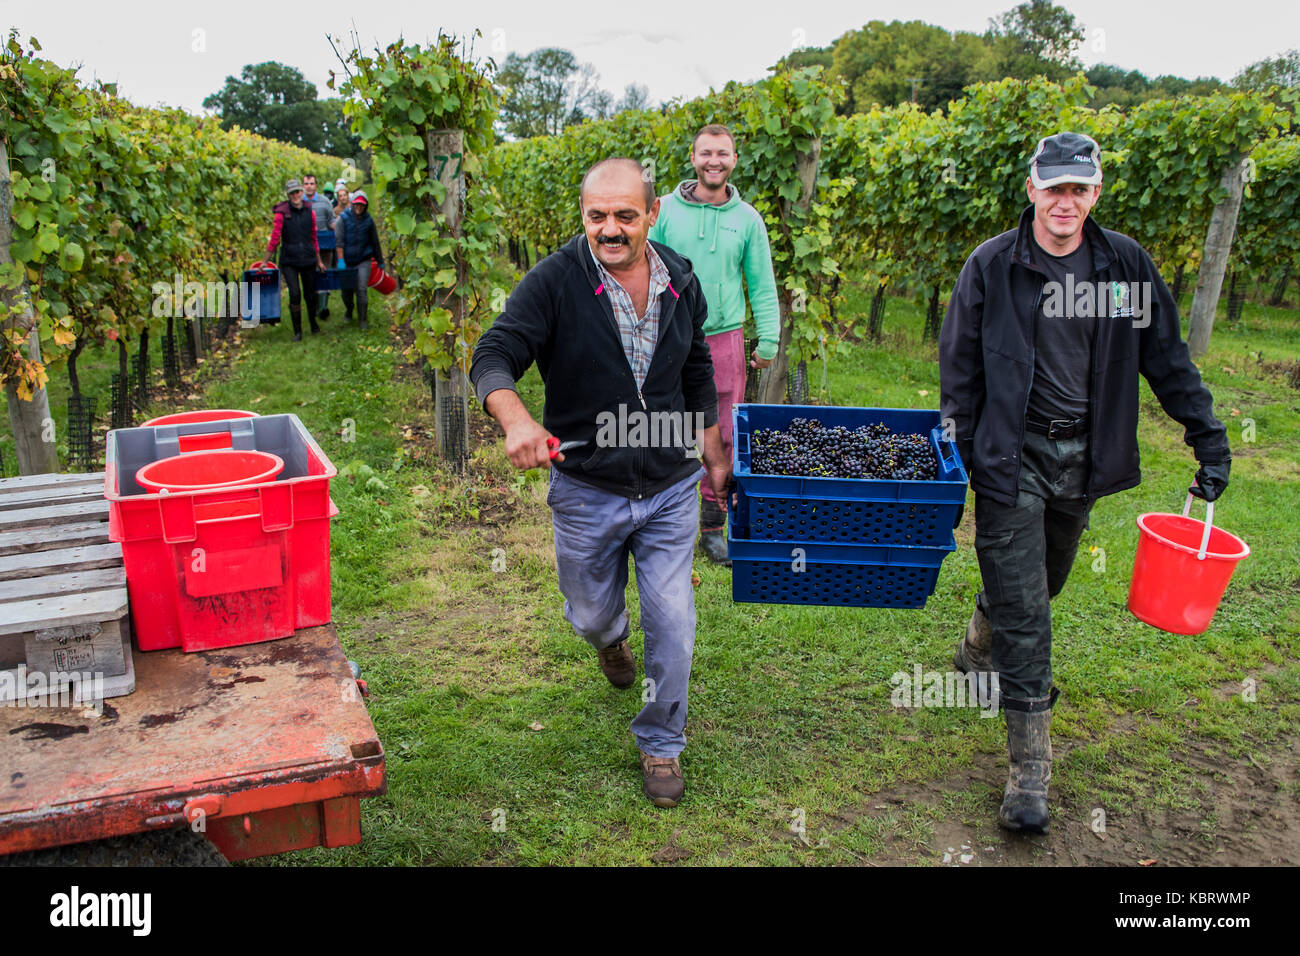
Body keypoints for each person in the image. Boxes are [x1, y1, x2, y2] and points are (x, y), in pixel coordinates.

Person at [939, 132, 1231, 833]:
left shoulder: (1123, 266)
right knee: (1031, 619)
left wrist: (1208, 436)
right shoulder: (992, 266)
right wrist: (956, 458)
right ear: (1032, 189)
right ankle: (1029, 772)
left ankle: (980, 639)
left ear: (1095, 193)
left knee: (1044, 582)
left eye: (1079, 188)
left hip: (1084, 461)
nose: (1064, 200)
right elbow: (960, 372)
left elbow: (1166, 357)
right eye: (1053, 187)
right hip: (1010, 459)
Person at [470, 157, 731, 808]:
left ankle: (662, 741)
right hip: (588, 489)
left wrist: (709, 443)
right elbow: (494, 354)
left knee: (673, 621)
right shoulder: (556, 281)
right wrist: (517, 418)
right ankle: (608, 640)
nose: (609, 230)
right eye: (596, 217)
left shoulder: (680, 280)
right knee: (589, 612)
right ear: (583, 216)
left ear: (652, 213)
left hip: (670, 484)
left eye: (623, 216)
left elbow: (696, 362)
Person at [648, 124, 780, 566]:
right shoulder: (662, 210)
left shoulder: (748, 220)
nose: (714, 162)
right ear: (693, 157)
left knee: (721, 432)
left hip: (723, 336)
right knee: (661, 423)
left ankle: (711, 525)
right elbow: (641, 267)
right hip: (668, 331)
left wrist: (770, 335)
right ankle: (659, 518)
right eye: (706, 153)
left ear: (734, 160)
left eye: (722, 154)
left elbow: (761, 284)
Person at [266, 178, 326, 341]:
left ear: (302, 192)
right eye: (292, 193)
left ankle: (313, 324)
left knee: (310, 294)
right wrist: (265, 261)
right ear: (288, 195)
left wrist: (319, 260)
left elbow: (314, 237)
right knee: (295, 294)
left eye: (297, 192)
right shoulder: (281, 213)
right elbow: (275, 238)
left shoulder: (309, 211)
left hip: (307, 257)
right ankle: (297, 331)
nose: (295, 195)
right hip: (289, 259)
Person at [333, 190, 384, 331]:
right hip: (347, 260)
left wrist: (380, 260)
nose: (358, 207)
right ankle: (349, 310)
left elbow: (375, 241)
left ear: (365, 205)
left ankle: (363, 319)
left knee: (361, 289)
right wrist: (341, 260)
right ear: (352, 203)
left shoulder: (368, 220)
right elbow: (339, 242)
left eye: (361, 205)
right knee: (346, 291)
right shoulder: (343, 219)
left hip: (363, 259)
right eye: (356, 204)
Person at [303, 173, 336, 320]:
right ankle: (315, 307)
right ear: (303, 186)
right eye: (306, 184)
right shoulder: (298, 204)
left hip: (325, 246)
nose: (309, 186)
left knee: (324, 273)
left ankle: (323, 307)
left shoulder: (325, 202)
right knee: (311, 277)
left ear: (316, 186)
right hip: (306, 248)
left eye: (311, 183)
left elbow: (332, 221)